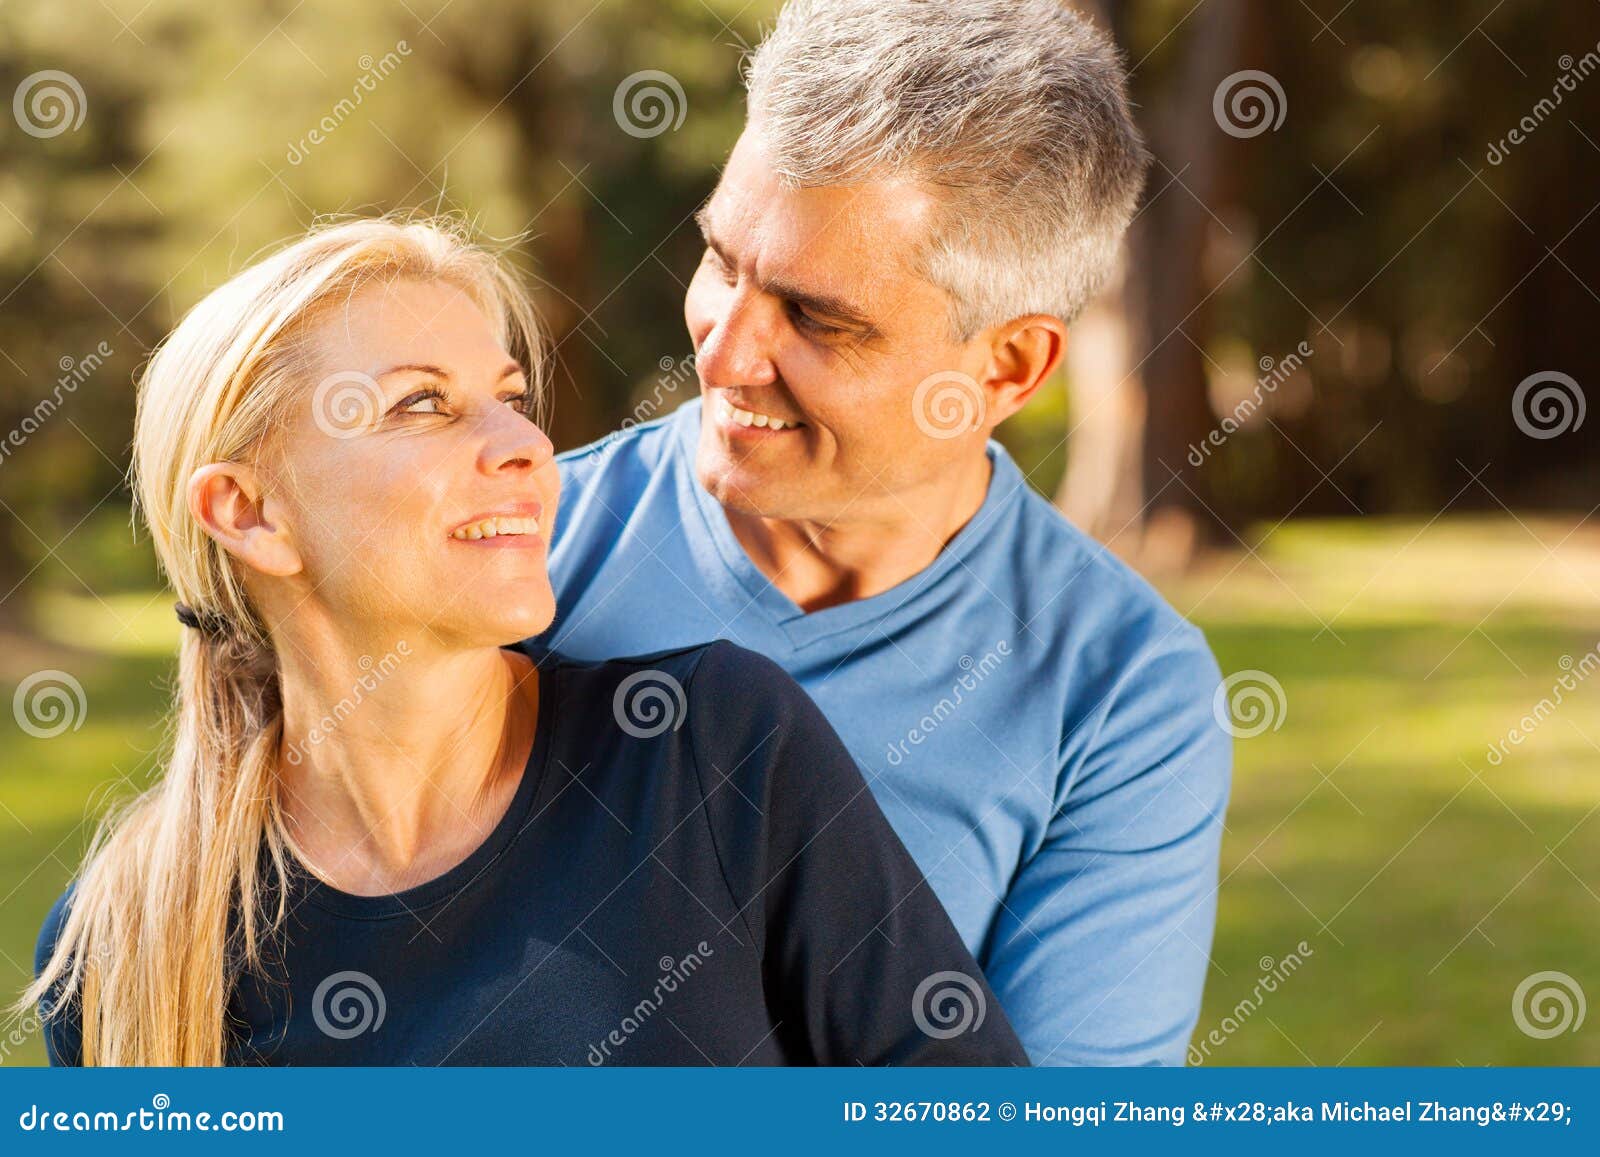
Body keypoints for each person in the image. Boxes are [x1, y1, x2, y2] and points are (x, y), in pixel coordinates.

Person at [22, 216, 1026, 1068]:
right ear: (249, 512)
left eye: (510, 398)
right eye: (424, 404)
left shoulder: (710, 750)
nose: (528, 446)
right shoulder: (127, 944)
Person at [542, 0, 1233, 1066]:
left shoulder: (1122, 695)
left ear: (1005, 367)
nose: (723, 355)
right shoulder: (520, 553)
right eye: (724, 262)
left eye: (817, 319)